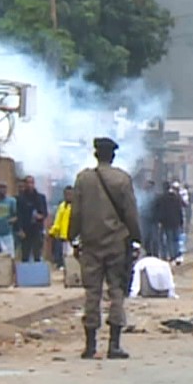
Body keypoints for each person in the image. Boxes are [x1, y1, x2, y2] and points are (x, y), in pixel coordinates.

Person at [73, 137, 142, 360]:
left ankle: (90, 345)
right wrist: (137, 240)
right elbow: (131, 214)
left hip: (91, 244)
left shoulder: (83, 179)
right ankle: (114, 345)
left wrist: (73, 238)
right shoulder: (122, 179)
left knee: (92, 292)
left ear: (95, 155)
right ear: (112, 156)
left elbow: (76, 213)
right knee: (117, 291)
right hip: (116, 244)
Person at [15, 176, 49, 263]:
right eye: (28, 183)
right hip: (25, 230)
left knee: (37, 254)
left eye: (31, 183)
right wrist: (19, 229)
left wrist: (40, 216)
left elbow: (45, 213)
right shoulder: (21, 199)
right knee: (25, 255)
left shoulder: (40, 197)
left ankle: (37, 274)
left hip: (37, 229)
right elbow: (19, 215)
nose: (30, 185)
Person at [156, 183, 184, 261]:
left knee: (168, 239)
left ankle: (166, 255)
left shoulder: (161, 198)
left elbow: (160, 210)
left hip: (166, 222)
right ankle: (175, 254)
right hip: (176, 221)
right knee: (175, 239)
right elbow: (180, 210)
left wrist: (159, 220)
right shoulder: (176, 198)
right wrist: (181, 222)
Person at [48, 185, 75, 268]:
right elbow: (57, 221)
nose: (68, 196)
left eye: (70, 194)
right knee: (65, 256)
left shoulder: (77, 206)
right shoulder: (62, 206)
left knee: (72, 257)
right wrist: (52, 232)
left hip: (74, 236)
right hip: (63, 236)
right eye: (67, 194)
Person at [0, 181, 17, 256]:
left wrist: (11, 221)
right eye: (0, 188)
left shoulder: (11, 201)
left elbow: (17, 216)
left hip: (7, 233)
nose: (2, 190)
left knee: (9, 256)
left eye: (4, 188)